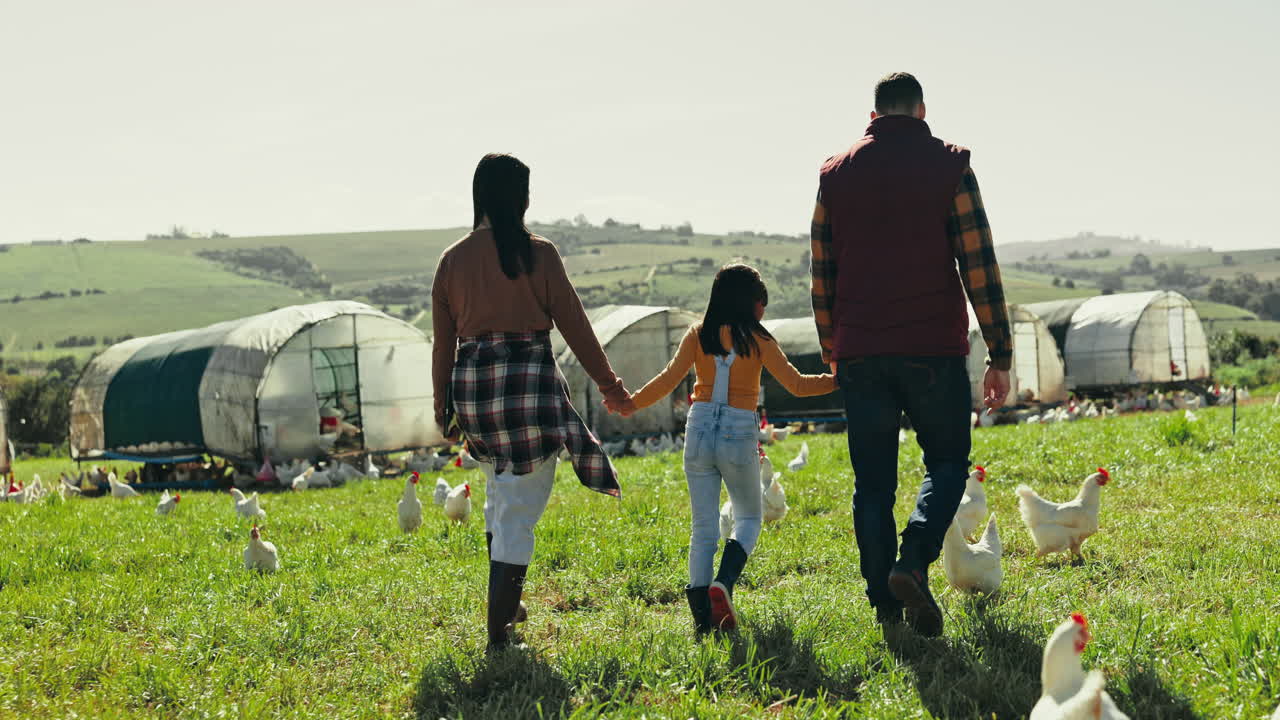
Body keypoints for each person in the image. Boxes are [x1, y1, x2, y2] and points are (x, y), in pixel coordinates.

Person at [809, 72, 1013, 637]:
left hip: (862, 352)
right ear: (922, 110)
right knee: (947, 463)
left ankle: (885, 604)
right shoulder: (949, 165)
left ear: (872, 116)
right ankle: (914, 558)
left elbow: (821, 270)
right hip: (932, 349)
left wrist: (834, 347)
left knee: (871, 485)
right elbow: (979, 262)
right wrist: (1000, 351)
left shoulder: (835, 174)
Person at [431, 153, 634, 651]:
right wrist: (610, 386)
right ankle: (498, 636)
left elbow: (443, 344)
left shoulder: (452, 260)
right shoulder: (539, 254)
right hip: (529, 392)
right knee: (518, 512)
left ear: (478, 196)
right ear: (521, 198)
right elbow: (575, 326)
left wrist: (444, 409)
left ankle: (509, 606)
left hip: (476, 398)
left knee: (502, 499)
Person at [621, 264, 835, 635]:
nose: (763, 313)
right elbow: (798, 386)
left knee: (703, 526)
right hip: (737, 430)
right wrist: (838, 380)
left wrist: (630, 402)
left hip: (699, 427)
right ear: (751, 303)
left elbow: (668, 380)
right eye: (761, 304)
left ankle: (702, 618)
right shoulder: (760, 341)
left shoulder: (697, 335)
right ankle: (725, 581)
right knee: (750, 518)